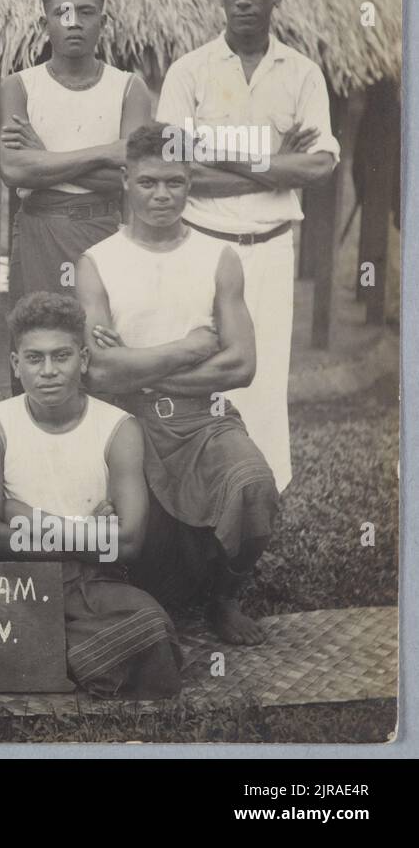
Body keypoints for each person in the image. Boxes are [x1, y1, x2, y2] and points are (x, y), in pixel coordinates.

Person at [76, 122, 279, 644]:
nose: (161, 195)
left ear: (190, 180)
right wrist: (188, 349)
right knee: (148, 563)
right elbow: (98, 370)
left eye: (174, 182)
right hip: (127, 420)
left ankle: (224, 599)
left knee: (253, 487)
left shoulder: (219, 257)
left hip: (204, 420)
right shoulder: (98, 261)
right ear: (125, 180)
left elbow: (241, 366)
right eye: (148, 182)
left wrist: (140, 366)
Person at [156, 0, 340, 492]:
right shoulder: (189, 71)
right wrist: (276, 163)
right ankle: (194, 498)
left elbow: (320, 167)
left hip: (270, 247)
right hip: (203, 243)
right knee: (199, 371)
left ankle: (257, 503)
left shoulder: (302, 73)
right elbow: (175, 170)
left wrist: (219, 152)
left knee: (260, 380)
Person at [0, 292, 182, 698]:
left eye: (61, 356)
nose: (48, 371)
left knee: (150, 629)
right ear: (16, 365)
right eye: (34, 358)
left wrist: (23, 514)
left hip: (93, 584)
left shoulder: (119, 428)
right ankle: (61, 656)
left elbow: (131, 543)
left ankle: (61, 655)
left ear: (82, 359)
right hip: (17, 583)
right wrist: (90, 533)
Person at [0, 0, 153, 302]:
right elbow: (13, 171)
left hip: (102, 226)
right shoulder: (20, 86)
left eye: (85, 12)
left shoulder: (129, 88)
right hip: (39, 226)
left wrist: (44, 159)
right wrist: (103, 153)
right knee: (37, 335)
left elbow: (133, 177)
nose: (74, 23)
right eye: (62, 13)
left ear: (104, 22)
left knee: (99, 336)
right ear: (44, 24)